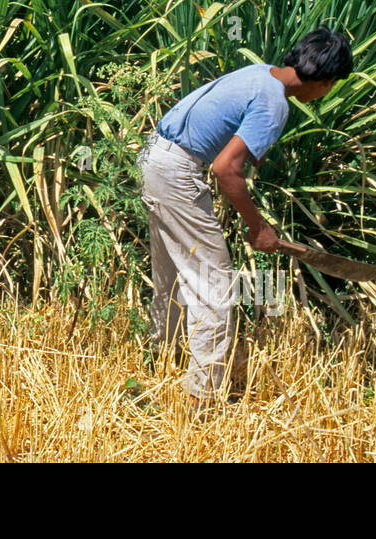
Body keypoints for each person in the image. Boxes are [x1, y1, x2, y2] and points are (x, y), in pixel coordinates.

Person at [137, 26, 354, 408]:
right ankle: (201, 401)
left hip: (155, 157)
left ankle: (161, 360)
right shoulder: (277, 104)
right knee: (216, 289)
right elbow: (225, 169)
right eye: (333, 84)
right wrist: (260, 228)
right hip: (177, 172)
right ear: (324, 82)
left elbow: (222, 130)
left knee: (171, 274)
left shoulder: (259, 74)